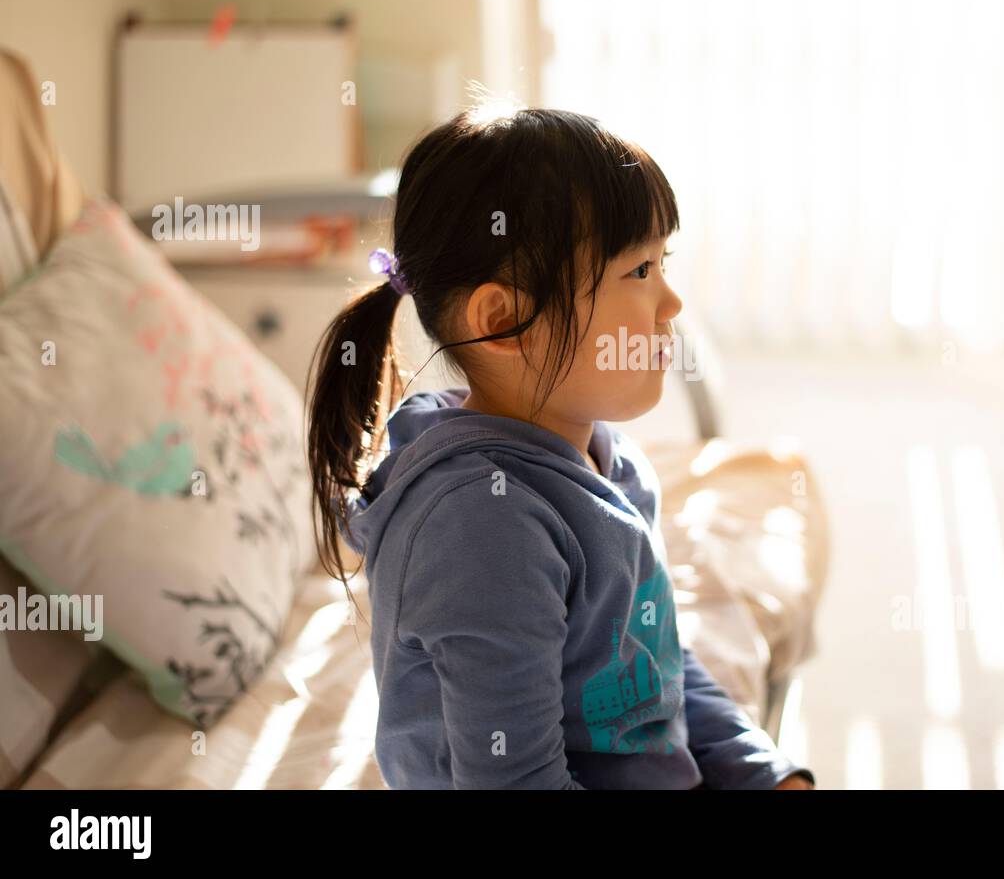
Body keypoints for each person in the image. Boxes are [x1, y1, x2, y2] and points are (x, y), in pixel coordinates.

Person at [306, 100, 815, 790]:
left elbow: (652, 663)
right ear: (506, 320)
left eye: (664, 262)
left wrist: (762, 770)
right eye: (638, 272)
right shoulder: (484, 529)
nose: (671, 303)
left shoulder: (606, 458)